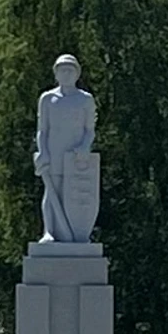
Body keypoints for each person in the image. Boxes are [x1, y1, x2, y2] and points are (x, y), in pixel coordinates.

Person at [34, 54, 96, 242]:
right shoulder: (47, 99)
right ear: (56, 73)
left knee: (75, 195)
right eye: (62, 70)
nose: (66, 74)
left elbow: (89, 130)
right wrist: (43, 152)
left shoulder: (85, 99)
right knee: (52, 191)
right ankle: (49, 231)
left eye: (70, 70)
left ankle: (78, 233)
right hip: (54, 153)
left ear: (77, 74)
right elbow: (42, 130)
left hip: (76, 160)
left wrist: (85, 147)